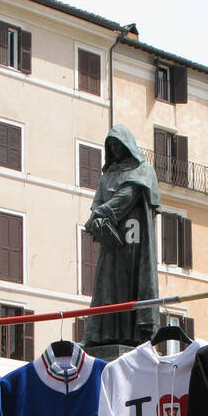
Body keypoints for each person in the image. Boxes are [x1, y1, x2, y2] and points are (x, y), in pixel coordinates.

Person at [83, 125, 161, 359]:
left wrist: (99, 215)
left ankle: (132, 335)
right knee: (106, 286)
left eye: (118, 144)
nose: (115, 149)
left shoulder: (143, 170)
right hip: (111, 241)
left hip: (134, 242)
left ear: (128, 145)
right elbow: (97, 203)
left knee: (130, 286)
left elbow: (125, 197)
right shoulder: (106, 176)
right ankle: (101, 336)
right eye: (111, 145)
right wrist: (96, 219)